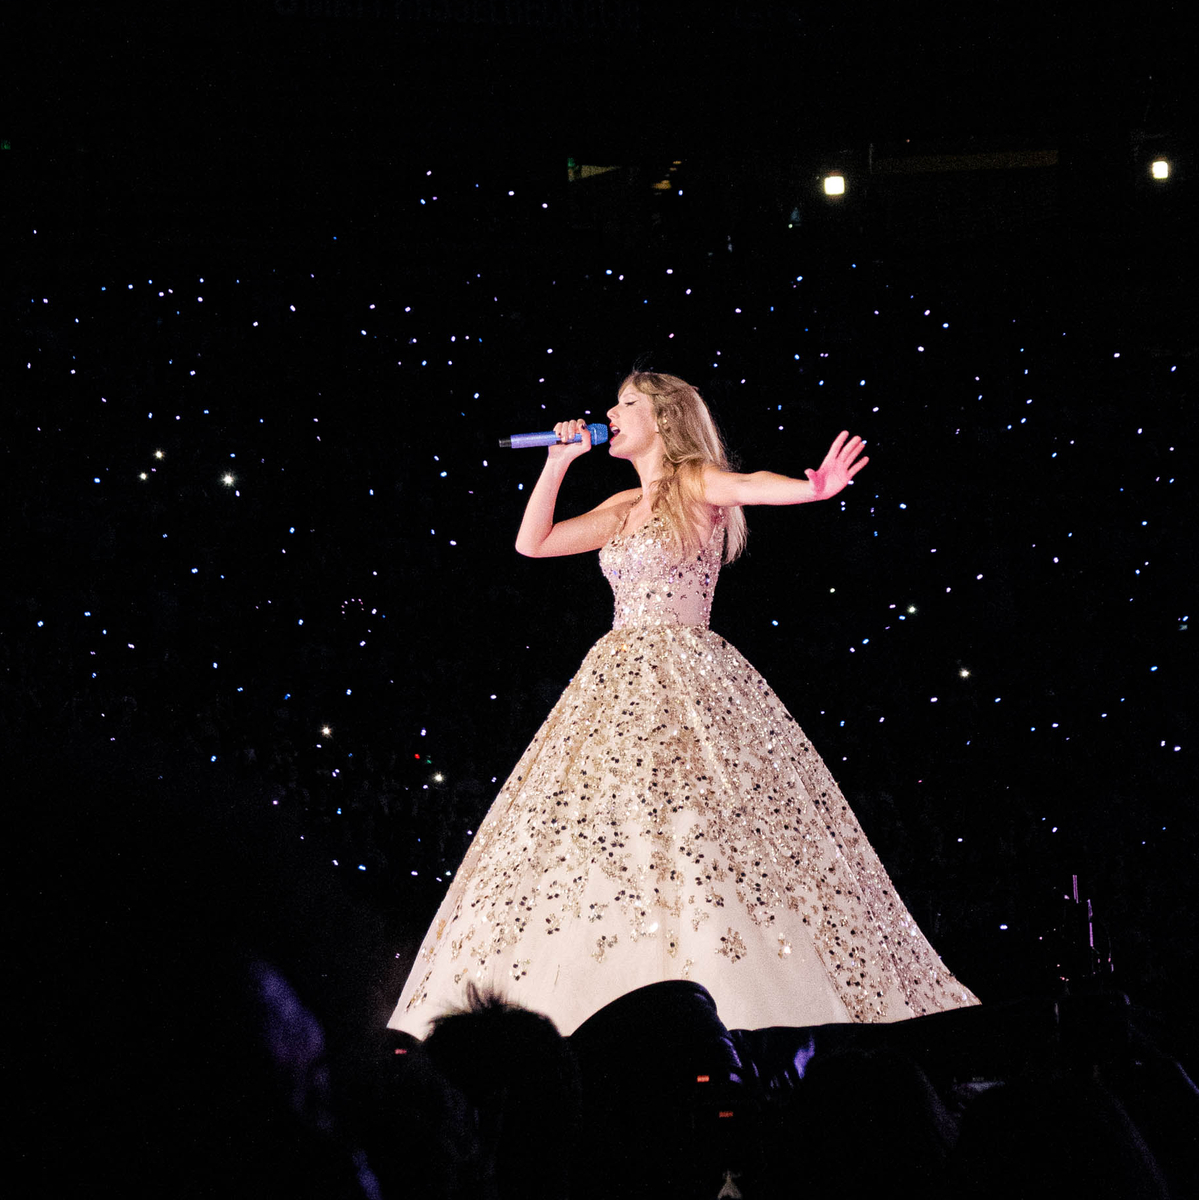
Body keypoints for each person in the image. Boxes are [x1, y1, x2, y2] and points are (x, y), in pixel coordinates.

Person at [389, 371, 978, 1038]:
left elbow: (750, 483)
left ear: (664, 420)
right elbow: (533, 542)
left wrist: (813, 489)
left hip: (689, 674)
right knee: (608, 822)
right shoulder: (620, 504)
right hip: (614, 679)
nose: (609, 413)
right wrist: (556, 463)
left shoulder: (695, 484)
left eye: (625, 404)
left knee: (701, 819)